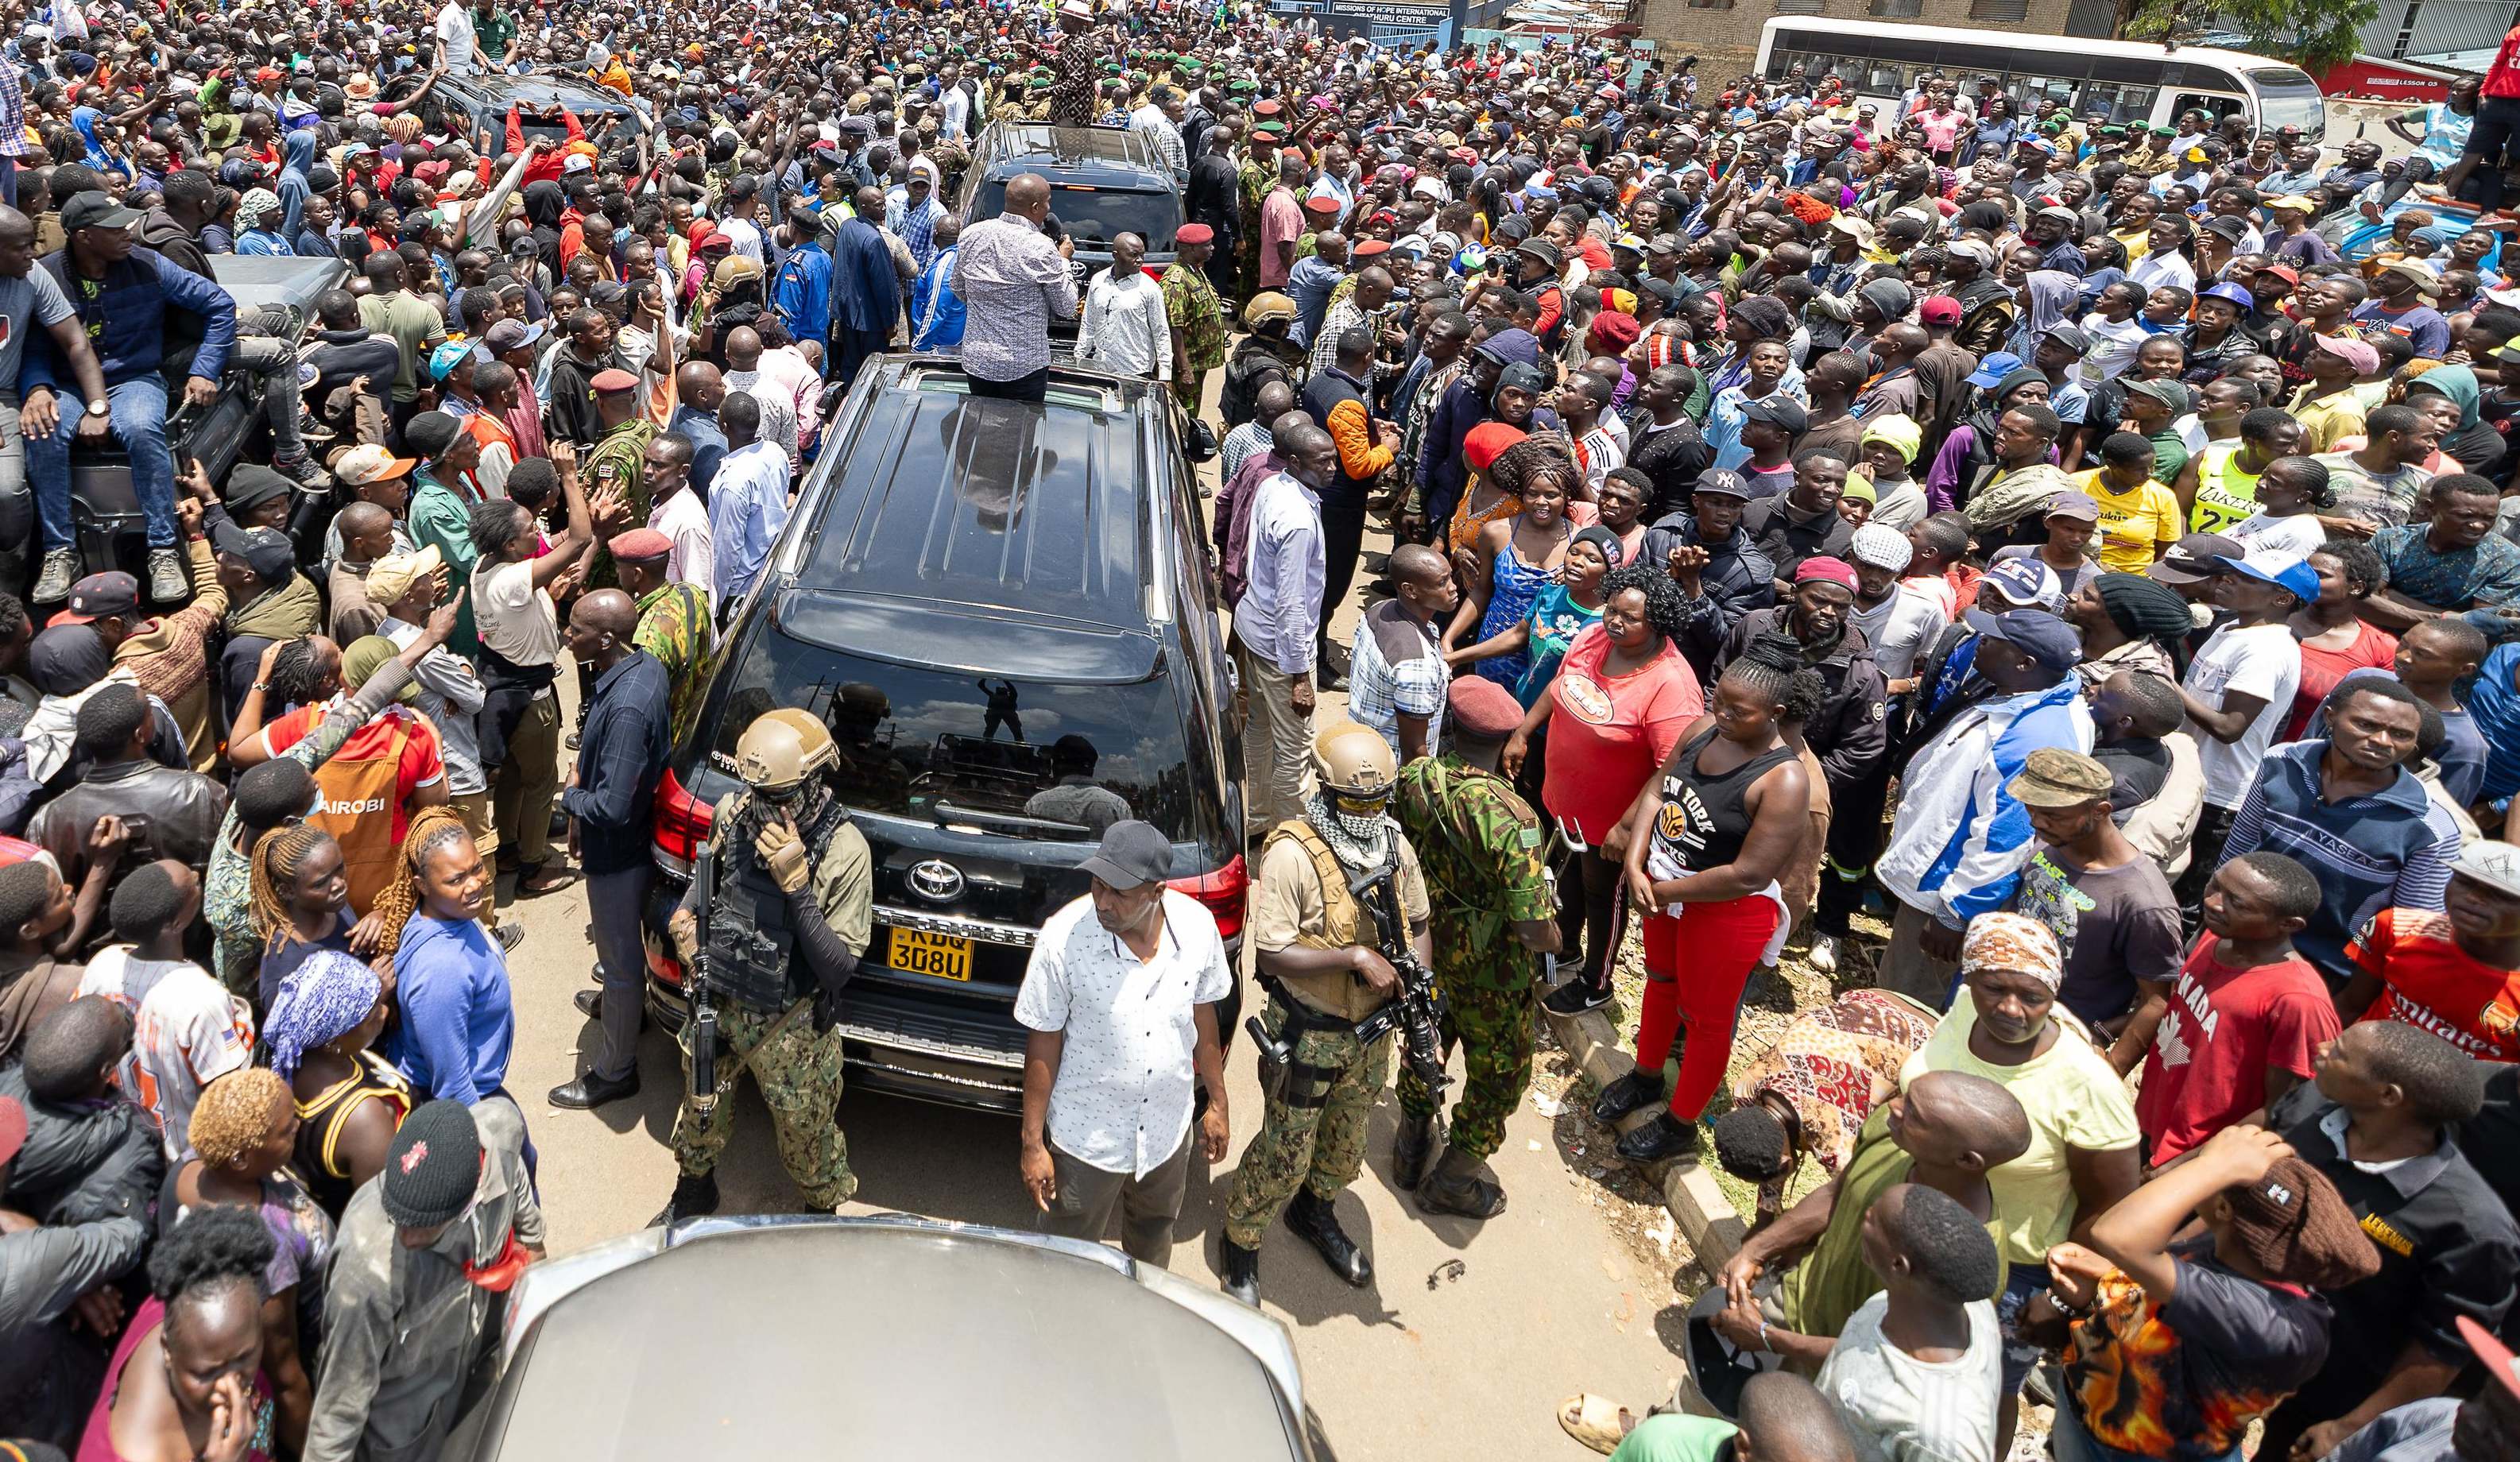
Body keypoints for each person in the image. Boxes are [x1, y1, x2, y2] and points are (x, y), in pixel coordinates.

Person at [1903, 913, 2142, 1452]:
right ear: (1968, 980)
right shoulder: (1962, 1010)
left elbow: (2110, 1210)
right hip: (1922, 1229)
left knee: (1984, 1392)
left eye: (2032, 996)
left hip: (2013, 1273)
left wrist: (2061, 1300)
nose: (2010, 1009)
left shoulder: (2083, 1085)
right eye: (1994, 988)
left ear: (2054, 992)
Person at [1218, 719, 1430, 1304]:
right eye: (1354, 801)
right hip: (1310, 1031)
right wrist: (1355, 955)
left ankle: (1313, 1214)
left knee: (1344, 1144)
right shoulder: (1292, 853)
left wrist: (1414, 981)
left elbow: (1417, 920)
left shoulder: (1392, 844)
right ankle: (1241, 1239)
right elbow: (1273, 952)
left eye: (1377, 801)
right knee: (1286, 1150)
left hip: (1369, 1035)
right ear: (1327, 791)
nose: (1367, 813)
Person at [2032, 1124, 2379, 1462]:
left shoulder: (2273, 1321)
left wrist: (2217, 1165)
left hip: (2144, 1452)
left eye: (2206, 1175)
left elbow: (2116, 1235)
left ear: (2225, 1209)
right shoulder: (2234, 1251)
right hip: (2092, 1413)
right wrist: (2117, 1275)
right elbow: (2181, 1296)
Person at [1593, 632, 1813, 1163]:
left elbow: (1747, 873)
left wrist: (1661, 889)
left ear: (1774, 714)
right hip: (1663, 890)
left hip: (1724, 912)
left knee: (1705, 1019)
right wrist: (1634, 859)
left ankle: (1680, 1121)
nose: (1721, 715)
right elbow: (1657, 789)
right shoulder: (1701, 730)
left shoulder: (1784, 780)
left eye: (1736, 711)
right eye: (1717, 701)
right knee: (1660, 981)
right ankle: (1646, 1076)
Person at [2257, 1022, 2519, 1462]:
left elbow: (2441, 1346)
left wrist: (2352, 1426)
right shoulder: (2321, 1106)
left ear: (2389, 1096)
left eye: (2339, 1051)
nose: (2320, 1050)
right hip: (2229, 1334)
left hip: (2334, 1377)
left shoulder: (2475, 1228)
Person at [656, 710, 874, 1222]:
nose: (765, 808)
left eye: (779, 797)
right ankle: (694, 1191)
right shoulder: (734, 813)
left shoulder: (845, 851)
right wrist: (686, 932)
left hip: (790, 1024)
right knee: (701, 1103)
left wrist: (797, 887)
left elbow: (839, 970)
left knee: (806, 1129)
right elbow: (701, 889)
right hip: (721, 997)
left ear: (815, 780)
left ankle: (820, 1214)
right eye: (758, 794)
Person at [1016, 820, 1230, 1263]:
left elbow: (1204, 1019)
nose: (1103, 902)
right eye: (1098, 885)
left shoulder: (1197, 929)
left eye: (1118, 893)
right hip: (1087, 1141)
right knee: (1064, 1256)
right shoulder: (1064, 939)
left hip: (1167, 1135)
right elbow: (1043, 1041)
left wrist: (1219, 1104)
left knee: (1153, 1243)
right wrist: (1033, 1144)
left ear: (1157, 892)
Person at [1388, 676, 1558, 1216]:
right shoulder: (1514, 821)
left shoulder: (1416, 777)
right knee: (1499, 1078)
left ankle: (1411, 1145)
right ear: (1508, 736)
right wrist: (1556, 937)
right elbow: (1533, 929)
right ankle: (1452, 1182)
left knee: (1427, 1040)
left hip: (1428, 952)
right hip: (1493, 976)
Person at [1512, 564, 1706, 1017]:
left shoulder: (1671, 684)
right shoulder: (1595, 637)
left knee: (1603, 895)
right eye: (1611, 610)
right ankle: (1566, 948)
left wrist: (1627, 826)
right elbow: (1563, 685)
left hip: (1613, 820)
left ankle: (1596, 981)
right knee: (1573, 877)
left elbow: (1671, 768)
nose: (1614, 621)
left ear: (1657, 622)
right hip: (1567, 799)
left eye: (1630, 617)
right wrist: (1523, 731)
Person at [26, 192, 237, 606]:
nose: (128, 232)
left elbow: (220, 305)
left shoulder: (148, 263)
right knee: (43, 433)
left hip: (133, 377)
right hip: (67, 383)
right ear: (84, 237)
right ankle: (58, 551)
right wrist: (36, 388)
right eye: (115, 227)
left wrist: (203, 369)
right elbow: (32, 346)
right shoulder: (43, 275)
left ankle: (162, 549)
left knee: (142, 429)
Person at [1876, 609, 2095, 1006]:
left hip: (1948, 890)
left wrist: (1955, 913)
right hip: (1939, 878)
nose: (1979, 643)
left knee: (1906, 1002)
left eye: (1993, 640)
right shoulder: (2026, 699)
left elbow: (2006, 839)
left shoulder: (2032, 736)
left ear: (2025, 663)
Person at [303, 1101, 543, 1462]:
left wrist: (528, 1253)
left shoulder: (500, 1128)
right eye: (397, 1218)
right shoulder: (366, 1272)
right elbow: (337, 1413)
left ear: (471, 1197)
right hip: (406, 1435)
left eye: (424, 1227)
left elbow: (530, 1230)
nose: (406, 1238)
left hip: (480, 1375)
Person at [2125, 851, 2338, 1166]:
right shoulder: (2213, 937)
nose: (2212, 902)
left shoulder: (2298, 1001)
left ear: (2288, 924)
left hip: (2196, 1161)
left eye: (2236, 903)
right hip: (2149, 1126)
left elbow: (2282, 1109)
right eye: (2215, 886)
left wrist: (2187, 1165)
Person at [546, 590, 671, 1112]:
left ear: (606, 639)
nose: (566, 638)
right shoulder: (643, 666)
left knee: (619, 966)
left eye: (573, 630)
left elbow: (613, 806)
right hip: (633, 839)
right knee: (622, 963)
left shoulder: (624, 709)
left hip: (619, 852)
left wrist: (572, 797)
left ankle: (616, 1071)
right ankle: (623, 1009)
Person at [160, 1069, 327, 1453]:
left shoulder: (189, 1164)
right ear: (239, 1158)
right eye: (286, 1131)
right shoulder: (268, 1248)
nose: (298, 1127)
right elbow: (285, 1378)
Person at [1710, 988, 1945, 1221]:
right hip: (1877, 1000)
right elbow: (1772, 1140)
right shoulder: (1748, 1088)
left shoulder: (1832, 1133)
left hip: (1931, 1039)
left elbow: (1851, 1200)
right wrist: (1763, 1220)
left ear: (1785, 1163)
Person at [1811, 1182, 2006, 1462]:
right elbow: (1859, 1353)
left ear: (1899, 1265)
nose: (1865, 1213)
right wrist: (1768, 1337)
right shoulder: (1937, 1301)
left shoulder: (1939, 1437)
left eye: (1873, 1219)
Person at [2006, 747, 2185, 1046]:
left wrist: (2109, 1062)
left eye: (2051, 815)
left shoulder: (2144, 903)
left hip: (2055, 1043)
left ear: (2100, 812)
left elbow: (2156, 1004)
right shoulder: (2055, 838)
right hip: (2003, 1010)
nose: (2036, 822)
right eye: (2031, 809)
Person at [75, 863, 250, 1162]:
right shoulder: (201, 998)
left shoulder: (101, 966)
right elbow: (228, 1098)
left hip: (120, 1144)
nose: (198, 877)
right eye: (192, 884)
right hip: (184, 1158)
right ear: (175, 923)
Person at [76, 1205, 277, 1462]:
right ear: (168, 1350)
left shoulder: (187, 1295)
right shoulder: (112, 1456)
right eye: (207, 1373)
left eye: (245, 1357)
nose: (231, 1386)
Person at [2173, 550, 2309, 926]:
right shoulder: (2229, 628)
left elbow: (2230, 727)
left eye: (2245, 579)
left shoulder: (2267, 649)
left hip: (2218, 795)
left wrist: (2166, 685)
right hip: (2187, 774)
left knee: (2186, 902)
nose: (2227, 581)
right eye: (2230, 574)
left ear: (2282, 598)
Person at [1235, 424, 1338, 836]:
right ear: (1295, 462)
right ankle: (1291, 838)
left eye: (1333, 457)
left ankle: (1255, 819)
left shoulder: (1274, 485)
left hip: (1253, 630)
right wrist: (1300, 676)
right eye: (1323, 461)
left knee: (1259, 728)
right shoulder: (1297, 521)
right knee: (1296, 750)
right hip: (1282, 650)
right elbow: (1292, 604)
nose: (1334, 467)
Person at [257, 948, 406, 1221]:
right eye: (372, 1015)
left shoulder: (290, 1058)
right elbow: (385, 1217)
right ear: (332, 1042)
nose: (384, 1013)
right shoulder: (362, 1120)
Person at [2339, 839, 2520, 1062]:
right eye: (2465, 882)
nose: (2473, 898)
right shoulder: (2397, 928)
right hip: (2356, 1075)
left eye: (2500, 894)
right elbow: (2350, 1006)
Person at [953, 174, 1078, 402]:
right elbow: (1067, 307)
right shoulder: (1041, 247)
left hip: (978, 361)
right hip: (1024, 367)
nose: (1049, 208)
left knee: (977, 428)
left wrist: (990, 304)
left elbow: (959, 288)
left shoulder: (971, 234)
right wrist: (1064, 261)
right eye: (1048, 202)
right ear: (1035, 207)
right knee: (1020, 435)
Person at [1348, 544, 1454, 762]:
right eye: (1442, 582)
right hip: (1392, 774)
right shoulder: (1416, 665)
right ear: (1410, 590)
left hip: (1362, 748)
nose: (1453, 587)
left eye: (1451, 577)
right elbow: (1414, 753)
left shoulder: (1378, 610)